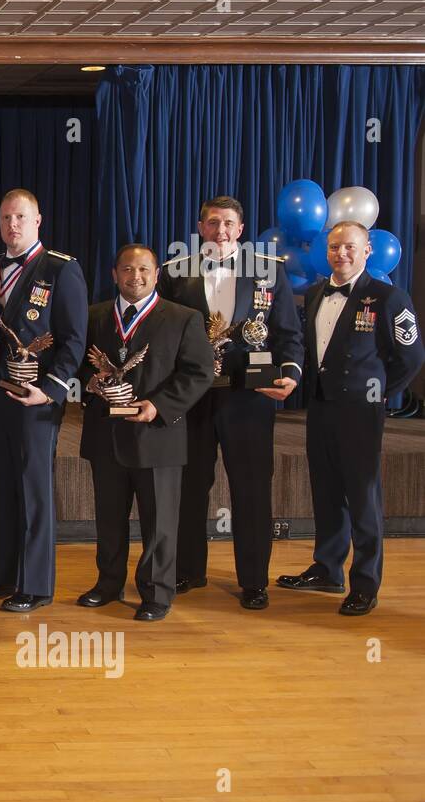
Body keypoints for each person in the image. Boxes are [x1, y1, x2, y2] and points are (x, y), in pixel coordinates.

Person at [158, 196, 303, 610]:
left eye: (228, 224)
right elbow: (164, 339)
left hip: (248, 398)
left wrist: (290, 373)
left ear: (240, 229)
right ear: (200, 227)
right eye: (212, 223)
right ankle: (188, 570)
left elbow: (288, 334)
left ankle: (254, 581)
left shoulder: (269, 272)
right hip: (192, 399)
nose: (220, 232)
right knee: (188, 487)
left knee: (252, 490)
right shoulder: (174, 273)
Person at [277, 221, 424, 615]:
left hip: (361, 412)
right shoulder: (314, 294)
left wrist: (374, 392)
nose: (341, 254)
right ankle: (327, 568)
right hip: (321, 407)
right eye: (334, 247)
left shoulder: (389, 297)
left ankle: (365, 583)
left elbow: (411, 358)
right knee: (325, 490)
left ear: (367, 251)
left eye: (349, 247)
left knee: (362, 497)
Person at [78, 244, 215, 621]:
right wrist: (90, 382)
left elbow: (200, 373)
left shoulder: (183, 317)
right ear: (114, 273)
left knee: (159, 523)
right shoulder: (94, 316)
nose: (134, 277)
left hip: (158, 436)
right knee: (108, 518)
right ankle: (108, 584)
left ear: (156, 275)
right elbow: (75, 363)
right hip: (106, 435)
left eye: (142, 270)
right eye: (126, 269)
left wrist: (159, 405)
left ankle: (157, 592)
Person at [0, 189, 87, 613]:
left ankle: (35, 585)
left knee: (33, 490)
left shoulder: (60, 270)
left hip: (38, 396)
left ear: (38, 220)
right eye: (5, 218)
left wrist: (52, 389)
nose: (12, 225)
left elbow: (74, 340)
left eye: (20, 217)